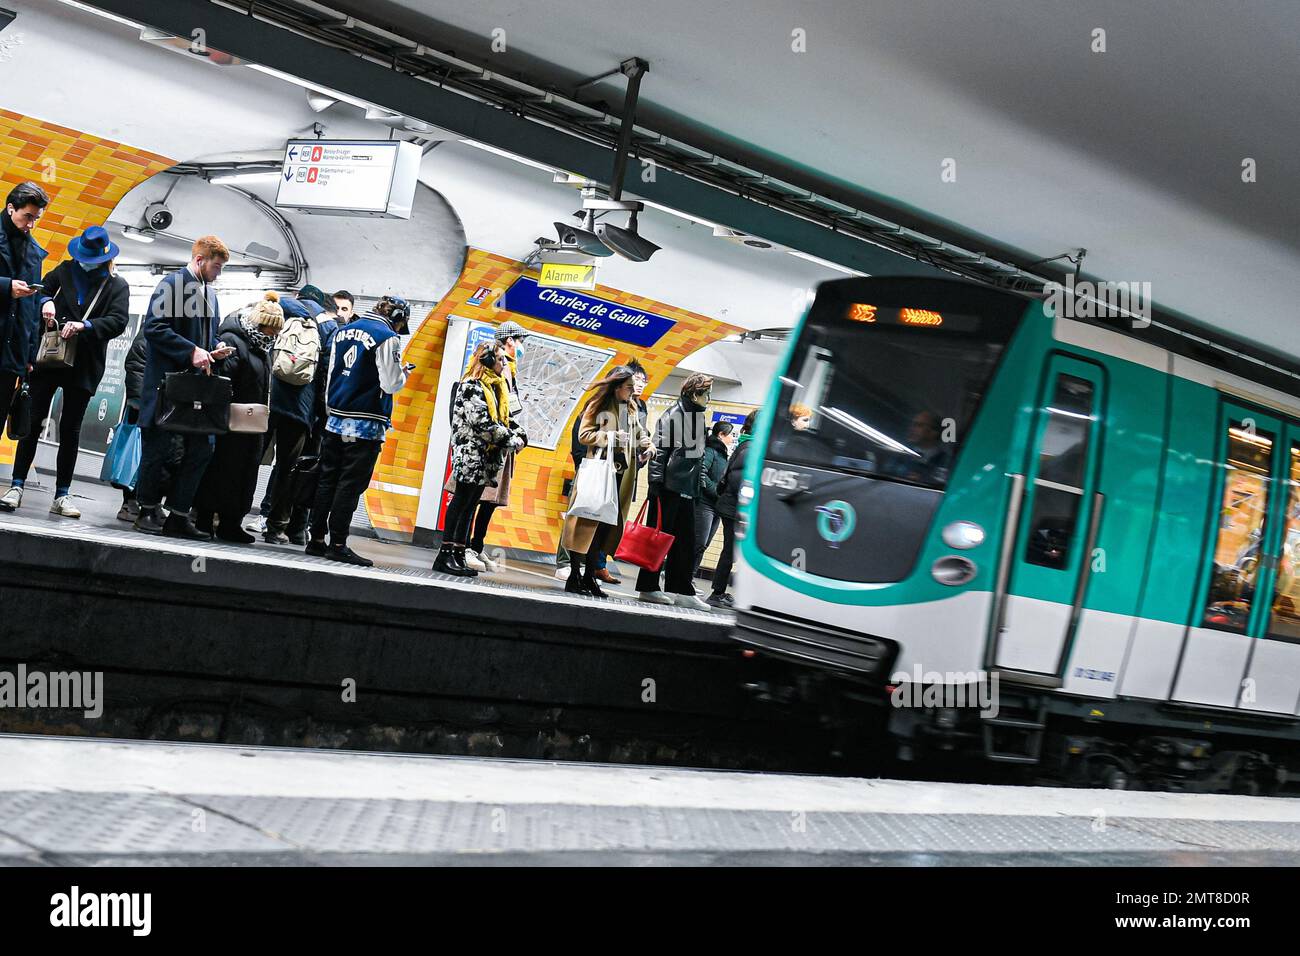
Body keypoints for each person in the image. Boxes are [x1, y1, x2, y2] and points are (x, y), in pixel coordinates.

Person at [3, 224, 130, 517]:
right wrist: (46, 302)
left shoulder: (116, 285)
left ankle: (62, 494)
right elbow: (38, 292)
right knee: (32, 422)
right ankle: (17, 485)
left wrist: (86, 325)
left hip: (84, 364)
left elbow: (118, 321)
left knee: (70, 429)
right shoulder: (63, 271)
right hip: (48, 358)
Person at [133, 235, 233, 540]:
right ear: (200, 260)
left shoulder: (209, 294)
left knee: (202, 449)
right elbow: (155, 328)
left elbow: (206, 336)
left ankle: (178, 514)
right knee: (158, 448)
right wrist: (191, 351)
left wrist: (214, 347)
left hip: (195, 389)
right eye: (216, 266)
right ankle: (147, 509)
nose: (219, 273)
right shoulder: (175, 285)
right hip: (168, 385)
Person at [307, 294, 412, 565]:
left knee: (327, 479)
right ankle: (338, 543)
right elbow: (390, 384)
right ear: (398, 318)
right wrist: (404, 374)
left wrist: (331, 412)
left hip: (336, 419)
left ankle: (316, 538)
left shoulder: (342, 331)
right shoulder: (387, 337)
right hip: (365, 424)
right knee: (350, 485)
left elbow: (330, 375)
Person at [192, 292, 281, 543]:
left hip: (250, 423)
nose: (274, 335)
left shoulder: (261, 345)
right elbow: (222, 380)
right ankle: (205, 519)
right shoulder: (234, 341)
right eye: (271, 329)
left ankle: (231, 522)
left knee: (244, 473)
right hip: (230, 422)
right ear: (259, 323)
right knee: (221, 470)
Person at [560, 365, 653, 597]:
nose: (633, 391)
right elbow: (584, 435)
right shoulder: (597, 405)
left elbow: (639, 432)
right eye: (629, 387)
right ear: (617, 386)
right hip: (599, 473)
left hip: (620, 477)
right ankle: (574, 576)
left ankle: (590, 576)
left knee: (603, 529)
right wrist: (609, 437)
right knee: (585, 524)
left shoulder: (630, 407)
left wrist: (647, 444)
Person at [436, 341, 525, 576]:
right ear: (485, 361)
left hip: (485, 458)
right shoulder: (471, 387)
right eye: (500, 359)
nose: (504, 362)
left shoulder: (496, 388)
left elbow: (504, 419)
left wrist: (520, 433)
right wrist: (512, 440)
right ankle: (444, 555)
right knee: (461, 503)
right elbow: (483, 424)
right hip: (470, 455)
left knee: (469, 506)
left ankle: (457, 552)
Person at [636, 373, 714, 610]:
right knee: (657, 539)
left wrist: (697, 487)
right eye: (706, 393)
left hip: (686, 489)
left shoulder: (696, 419)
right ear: (694, 393)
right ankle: (648, 587)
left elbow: (697, 458)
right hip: (668, 488)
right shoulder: (674, 415)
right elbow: (660, 450)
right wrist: (655, 484)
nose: (708, 398)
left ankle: (681, 589)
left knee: (685, 542)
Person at [464, 320, 531, 573]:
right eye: (519, 340)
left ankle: (476, 546)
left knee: (491, 499)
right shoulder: (496, 369)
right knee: (478, 496)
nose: (521, 346)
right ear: (509, 340)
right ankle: (465, 546)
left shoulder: (510, 369)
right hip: (491, 443)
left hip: (504, 439)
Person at [261, 295, 325, 544]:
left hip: (267, 402)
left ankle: (223, 517)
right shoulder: (323, 326)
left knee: (247, 458)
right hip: (300, 410)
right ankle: (276, 528)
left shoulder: (280, 311)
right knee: (288, 470)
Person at [115, 326, 182, 522]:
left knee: (162, 456)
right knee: (137, 455)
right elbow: (136, 365)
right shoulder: (151, 331)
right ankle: (129, 501)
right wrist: (138, 401)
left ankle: (151, 500)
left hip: (165, 406)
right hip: (147, 404)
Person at [0, 181, 49, 436]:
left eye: (35, 218)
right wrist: (6, 287)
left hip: (10, 357)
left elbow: (30, 310)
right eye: (27, 216)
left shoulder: (33, 252)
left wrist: (29, 355)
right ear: (11, 208)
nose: (31, 224)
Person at [707, 409, 756, 607]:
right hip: (733, 506)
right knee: (730, 551)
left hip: (731, 505)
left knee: (733, 551)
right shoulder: (750, 447)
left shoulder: (746, 444)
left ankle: (720, 591)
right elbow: (738, 479)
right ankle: (717, 593)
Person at [691, 420, 734, 576]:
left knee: (704, 544)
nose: (732, 438)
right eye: (731, 435)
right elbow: (701, 473)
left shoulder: (723, 454)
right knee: (699, 542)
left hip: (717, 506)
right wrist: (716, 492)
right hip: (704, 503)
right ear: (721, 435)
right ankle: (682, 574)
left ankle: (690, 578)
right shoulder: (711, 451)